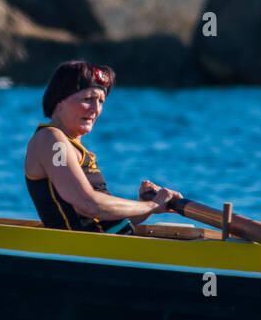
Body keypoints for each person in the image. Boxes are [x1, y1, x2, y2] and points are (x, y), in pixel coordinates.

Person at [24, 61, 181, 233]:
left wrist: (144, 206)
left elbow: (101, 219)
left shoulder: (73, 146)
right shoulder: (51, 139)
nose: (95, 109)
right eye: (88, 99)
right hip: (82, 247)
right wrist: (153, 205)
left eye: (100, 101)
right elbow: (88, 204)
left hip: (108, 240)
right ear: (59, 101)